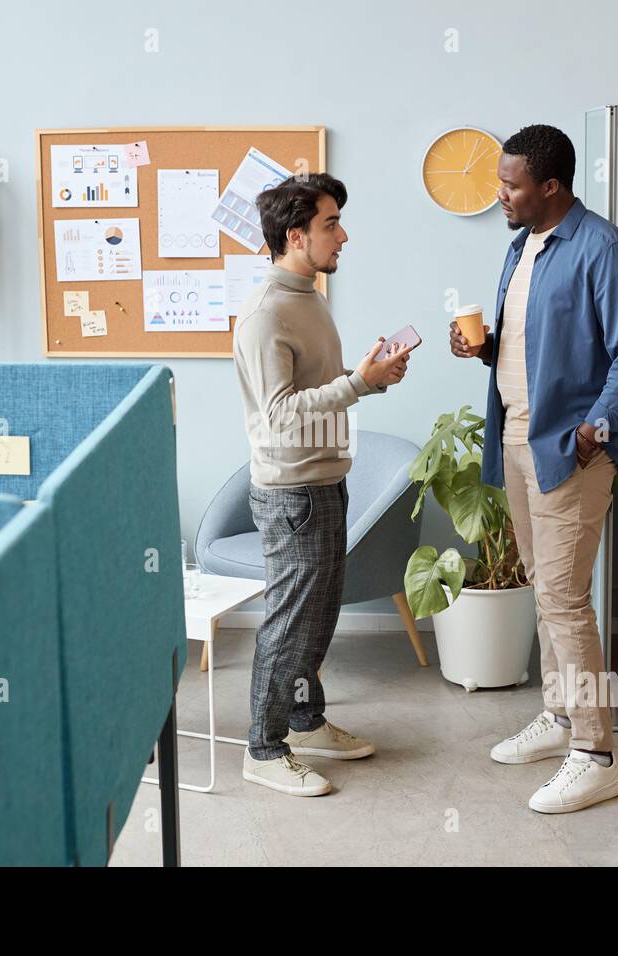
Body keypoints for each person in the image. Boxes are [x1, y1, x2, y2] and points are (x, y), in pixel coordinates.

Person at [449, 125, 618, 814]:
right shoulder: (523, 246)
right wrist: (480, 350)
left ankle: (595, 755)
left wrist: (595, 432)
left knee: (567, 600)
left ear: (551, 185)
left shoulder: (605, 249)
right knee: (546, 586)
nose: (499, 194)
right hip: (516, 435)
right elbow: (534, 342)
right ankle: (561, 716)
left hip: (567, 449)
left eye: (510, 184)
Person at [233, 172, 411, 797]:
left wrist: (369, 375)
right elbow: (280, 411)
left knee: (316, 619)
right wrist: (356, 383)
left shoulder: (308, 296)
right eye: (331, 224)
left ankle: (304, 721)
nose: (343, 235)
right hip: (292, 495)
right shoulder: (264, 314)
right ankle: (263, 748)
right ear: (295, 235)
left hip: (325, 481)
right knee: (289, 623)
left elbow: (315, 385)